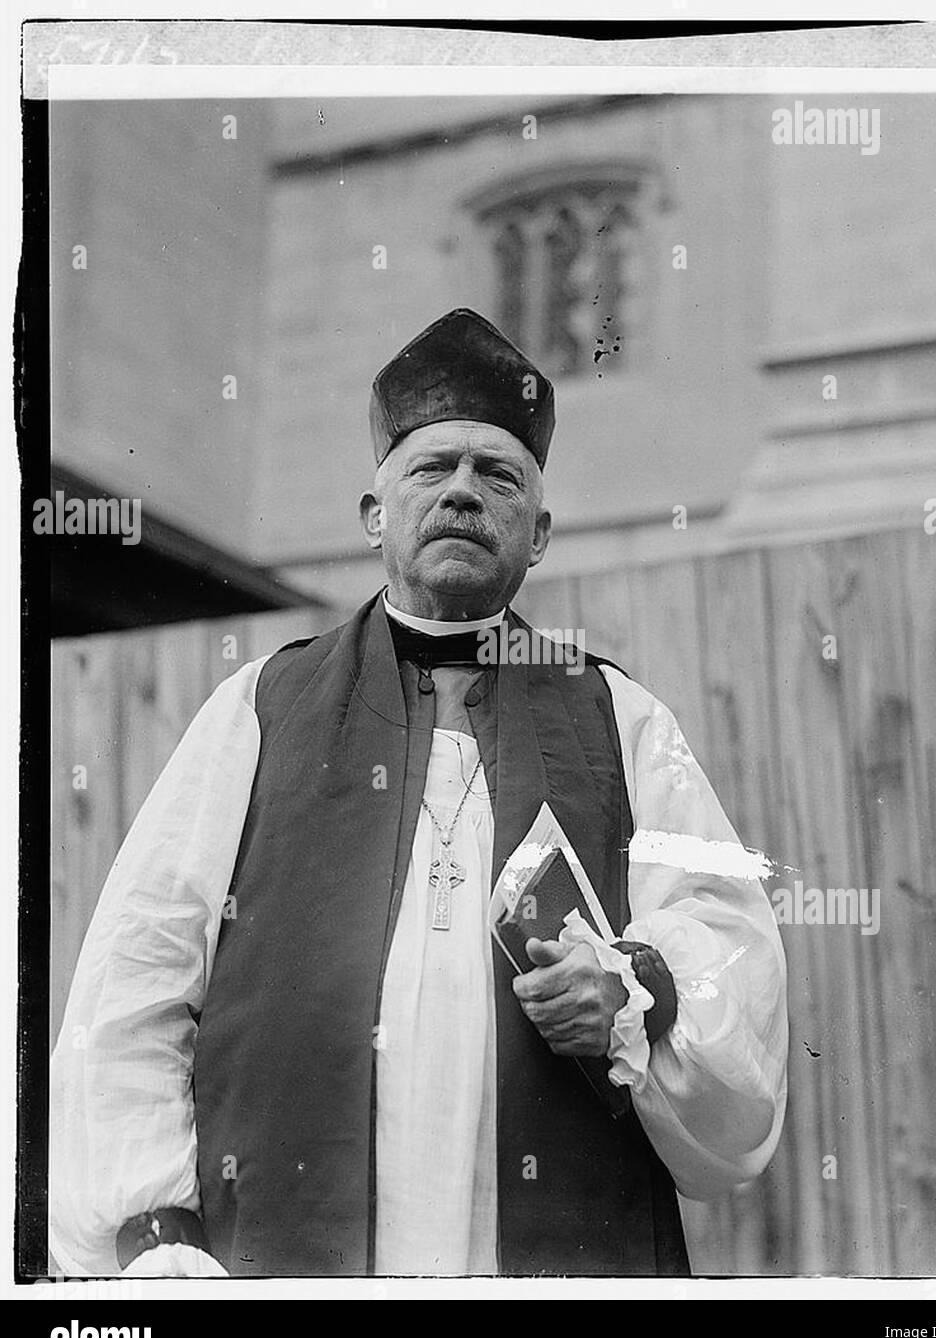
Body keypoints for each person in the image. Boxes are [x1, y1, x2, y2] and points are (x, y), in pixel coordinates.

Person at [50, 308, 788, 1278]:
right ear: (374, 514)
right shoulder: (260, 710)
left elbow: (728, 948)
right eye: (432, 469)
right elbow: (136, 985)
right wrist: (152, 1229)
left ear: (541, 532)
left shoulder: (620, 720)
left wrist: (632, 991)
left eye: (499, 475)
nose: (463, 494)